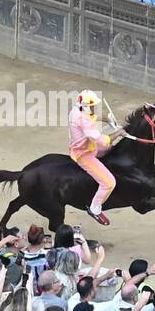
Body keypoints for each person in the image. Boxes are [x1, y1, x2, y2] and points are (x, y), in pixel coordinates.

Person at [66, 90, 122, 226]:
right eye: (92, 105)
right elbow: (102, 140)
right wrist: (118, 132)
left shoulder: (76, 110)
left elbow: (92, 116)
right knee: (109, 183)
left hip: (89, 146)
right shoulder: (84, 121)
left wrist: (107, 118)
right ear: (86, 106)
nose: (93, 108)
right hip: (84, 154)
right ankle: (95, 208)